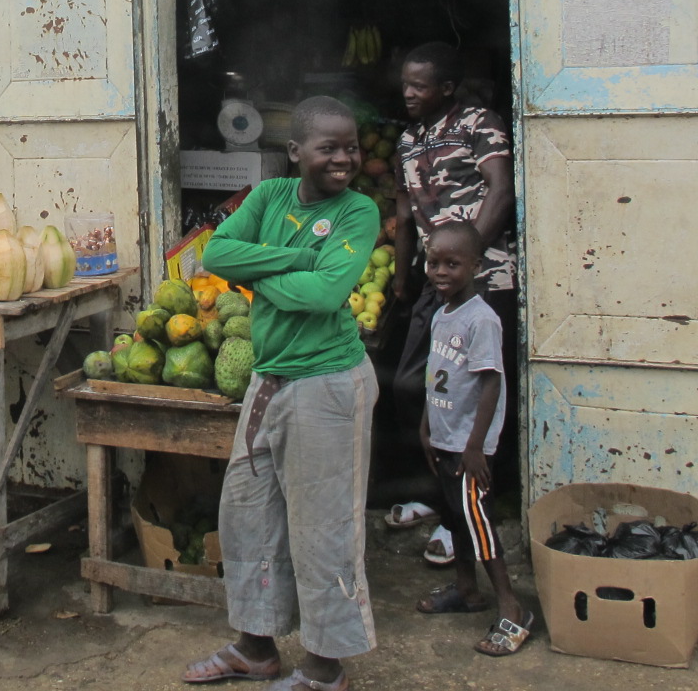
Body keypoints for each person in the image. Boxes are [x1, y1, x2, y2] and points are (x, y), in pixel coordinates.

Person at [182, 96, 380, 691]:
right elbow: (213, 253)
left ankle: (324, 668)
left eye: (351, 146)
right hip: (269, 380)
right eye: (329, 147)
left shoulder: (359, 212)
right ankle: (256, 648)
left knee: (323, 529)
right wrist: (298, 258)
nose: (343, 157)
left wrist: (257, 272)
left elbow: (324, 296)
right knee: (247, 515)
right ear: (296, 152)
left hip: (327, 383)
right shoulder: (268, 197)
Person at [388, 42, 517, 566]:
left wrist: (466, 261)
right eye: (405, 85)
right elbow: (403, 208)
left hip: (484, 281)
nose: (409, 93)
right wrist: (402, 279)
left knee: (475, 400)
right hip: (434, 283)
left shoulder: (477, 124)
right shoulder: (407, 140)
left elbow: (501, 191)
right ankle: (437, 490)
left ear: (445, 88)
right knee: (408, 387)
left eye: (420, 85)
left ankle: (465, 517)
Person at [414, 221, 533, 657]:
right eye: (433, 263)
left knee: (478, 524)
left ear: (477, 266)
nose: (440, 272)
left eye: (452, 263)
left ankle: (511, 605)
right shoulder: (443, 313)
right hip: (444, 441)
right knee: (455, 518)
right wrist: (427, 427)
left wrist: (475, 445)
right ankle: (467, 590)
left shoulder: (482, 319)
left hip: (468, 447)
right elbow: (436, 376)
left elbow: (490, 384)